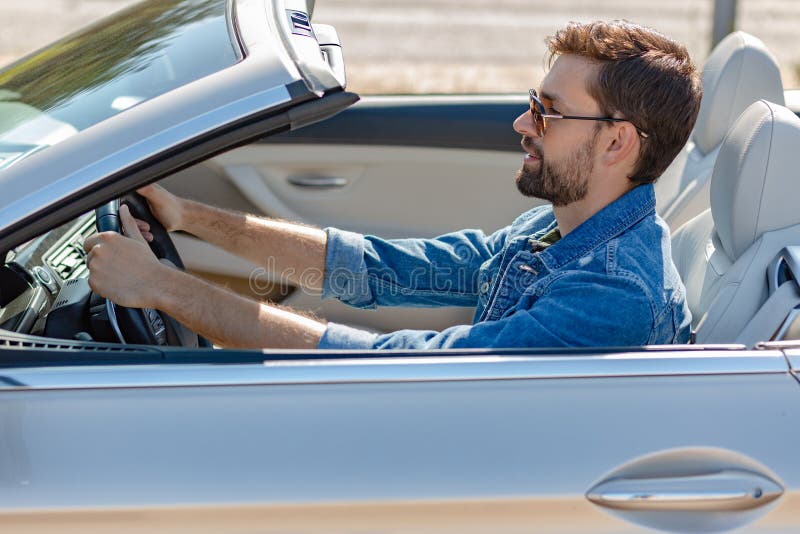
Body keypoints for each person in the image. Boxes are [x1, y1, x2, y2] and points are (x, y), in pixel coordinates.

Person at [84, 20, 702, 350]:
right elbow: (383, 269)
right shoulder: (559, 230)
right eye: (529, 104)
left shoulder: (610, 298)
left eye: (547, 111)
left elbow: (403, 368)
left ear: (617, 142)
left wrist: (164, 289)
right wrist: (188, 215)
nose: (522, 124)